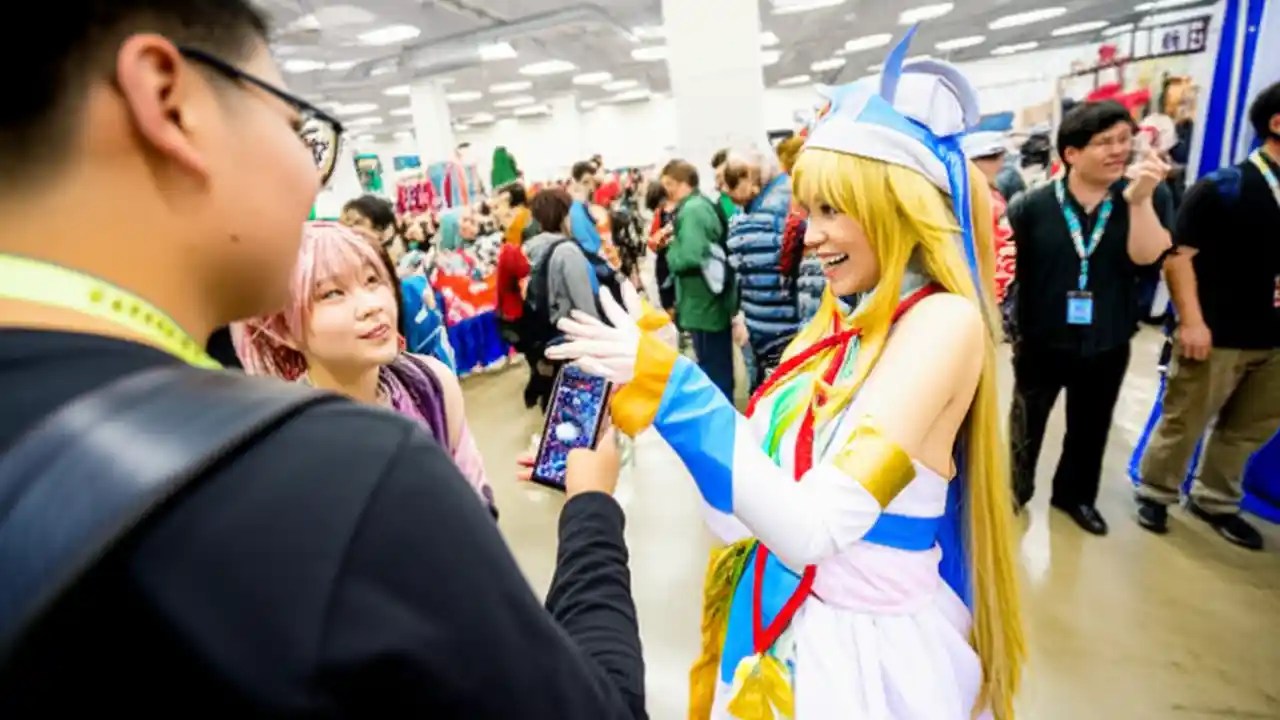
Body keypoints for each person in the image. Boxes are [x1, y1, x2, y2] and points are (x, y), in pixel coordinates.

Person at [0, 2, 647, 714]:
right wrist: (591, 507)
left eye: (371, 280)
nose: (313, 178)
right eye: (299, 131)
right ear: (168, 101)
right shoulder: (340, 469)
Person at [549, 46, 1024, 718]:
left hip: (865, 664)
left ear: (899, 205)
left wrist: (677, 391)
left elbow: (812, 528)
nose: (812, 234)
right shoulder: (843, 323)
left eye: (833, 209)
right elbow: (745, 513)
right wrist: (654, 394)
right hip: (790, 632)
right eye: (811, 209)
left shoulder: (944, 323)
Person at [233, 222, 494, 512]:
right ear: (284, 329)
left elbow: (477, 502)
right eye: (332, 293)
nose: (371, 305)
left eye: (372, 280)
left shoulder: (430, 384)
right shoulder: (286, 442)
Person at [1007, 100, 1173, 535]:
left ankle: (1075, 497)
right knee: (1027, 418)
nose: (1119, 150)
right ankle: (1012, 489)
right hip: (1041, 337)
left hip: (1108, 337)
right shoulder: (1032, 206)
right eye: (1105, 142)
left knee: (1092, 424)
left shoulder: (1146, 197)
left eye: (1124, 140)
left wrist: (1140, 203)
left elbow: (1149, 257)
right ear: (1072, 154)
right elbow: (1009, 273)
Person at [1135, 82, 1280, 550]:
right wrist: (1191, 322)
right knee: (1185, 418)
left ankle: (1215, 499)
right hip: (1218, 332)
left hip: (1274, 339)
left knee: (1246, 429)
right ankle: (1156, 491)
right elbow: (1179, 258)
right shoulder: (1224, 187)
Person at [722, 146, 800, 389]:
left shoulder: (778, 204)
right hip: (766, 325)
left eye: (731, 181)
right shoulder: (757, 205)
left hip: (782, 328)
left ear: (750, 176)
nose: (725, 190)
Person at [659, 159, 736, 402]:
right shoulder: (698, 206)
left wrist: (669, 251)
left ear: (683, 183)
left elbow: (690, 256)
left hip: (703, 306)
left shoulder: (692, 211)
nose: (666, 191)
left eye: (669, 184)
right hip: (705, 303)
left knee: (714, 370)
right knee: (715, 365)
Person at [962, 132, 1017, 309]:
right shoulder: (985, 201)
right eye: (989, 157)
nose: (998, 163)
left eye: (997, 157)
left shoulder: (991, 196)